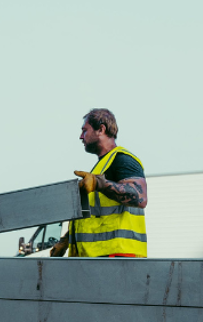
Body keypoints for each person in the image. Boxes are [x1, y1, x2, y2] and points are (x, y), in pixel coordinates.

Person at [51, 108, 148, 257]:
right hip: (98, 260)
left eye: (85, 130)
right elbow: (92, 216)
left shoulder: (122, 160)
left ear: (101, 129)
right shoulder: (101, 167)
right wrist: (66, 240)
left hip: (117, 258)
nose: (81, 136)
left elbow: (140, 197)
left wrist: (100, 184)